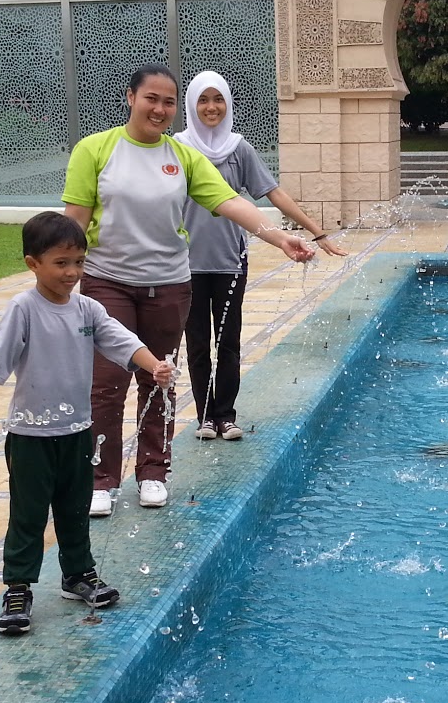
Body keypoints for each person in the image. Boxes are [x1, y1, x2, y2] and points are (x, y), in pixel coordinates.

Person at [62, 64, 315, 516]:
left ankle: (154, 472)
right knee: (106, 382)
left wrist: (281, 237)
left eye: (168, 102)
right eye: (151, 99)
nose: (159, 109)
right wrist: (57, 285)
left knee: (158, 377)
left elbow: (230, 202)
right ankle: (100, 478)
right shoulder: (95, 150)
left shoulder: (181, 156)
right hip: (108, 281)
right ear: (130, 97)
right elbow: (74, 221)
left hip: (169, 285)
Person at [0, 212, 175, 635]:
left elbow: (122, 340)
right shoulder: (24, 308)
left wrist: (153, 365)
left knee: (74, 509)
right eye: (61, 263)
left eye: (79, 262)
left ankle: (77, 574)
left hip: (77, 433)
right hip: (30, 436)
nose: (71, 272)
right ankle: (18, 587)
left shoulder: (88, 308)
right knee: (28, 515)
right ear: (33, 264)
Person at [177, 70, 346, 442]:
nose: (211, 107)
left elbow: (274, 194)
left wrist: (317, 232)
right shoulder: (176, 148)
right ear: (191, 104)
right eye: (203, 100)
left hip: (230, 263)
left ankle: (226, 415)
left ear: (228, 104)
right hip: (185, 266)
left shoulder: (239, 149)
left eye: (218, 99)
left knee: (229, 341)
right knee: (197, 343)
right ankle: (205, 416)